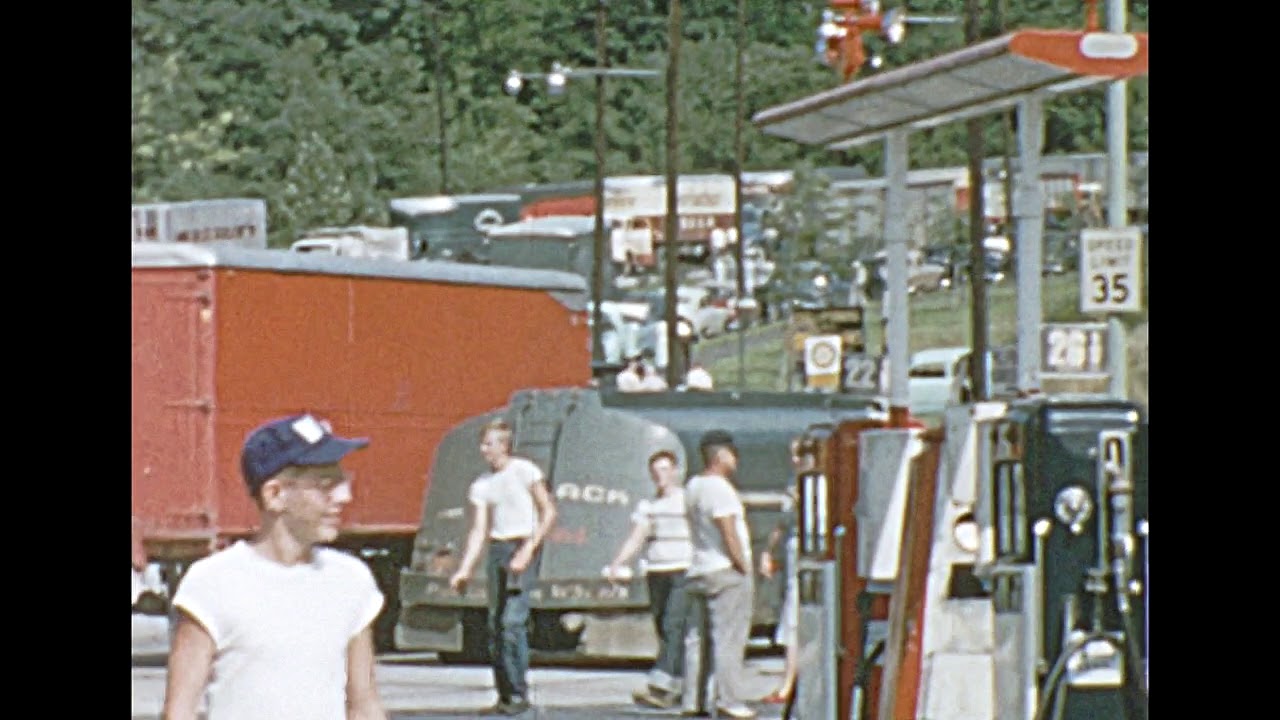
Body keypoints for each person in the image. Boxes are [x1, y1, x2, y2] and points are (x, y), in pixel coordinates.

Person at [162, 413, 387, 720]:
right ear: (275, 495)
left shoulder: (351, 580)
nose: (344, 497)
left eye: (343, 482)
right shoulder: (212, 582)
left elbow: (364, 704)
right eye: (325, 485)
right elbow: (180, 711)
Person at [449, 419, 558, 716]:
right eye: (483, 444)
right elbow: (478, 530)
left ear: (504, 445)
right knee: (495, 625)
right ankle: (505, 696)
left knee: (512, 623)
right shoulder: (482, 485)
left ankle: (519, 694)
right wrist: (464, 568)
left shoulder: (525, 471)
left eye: (489, 444)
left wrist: (528, 550)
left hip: (523, 544)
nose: (484, 450)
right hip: (498, 549)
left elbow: (548, 512)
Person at [604, 450, 695, 710]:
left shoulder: (687, 502)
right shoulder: (649, 506)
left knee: (673, 624)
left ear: (676, 471)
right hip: (657, 570)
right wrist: (618, 563)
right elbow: (637, 536)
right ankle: (678, 686)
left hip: (683, 568)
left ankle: (660, 683)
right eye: (656, 472)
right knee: (663, 629)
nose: (660, 476)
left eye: (665, 470)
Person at [683, 429, 758, 720]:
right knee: (729, 638)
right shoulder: (720, 489)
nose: (736, 459)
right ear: (722, 456)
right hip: (724, 570)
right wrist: (742, 565)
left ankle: (693, 700)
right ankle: (729, 699)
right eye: (732, 453)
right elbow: (727, 529)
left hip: (698, 568)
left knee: (696, 640)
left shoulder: (693, 485)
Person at [758, 440, 808, 704]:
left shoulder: (814, 484)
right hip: (793, 548)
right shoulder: (793, 485)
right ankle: (788, 679)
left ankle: (791, 681)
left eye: (799, 455)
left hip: (807, 547)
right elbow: (781, 522)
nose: (795, 461)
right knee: (791, 614)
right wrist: (768, 551)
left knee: (797, 616)